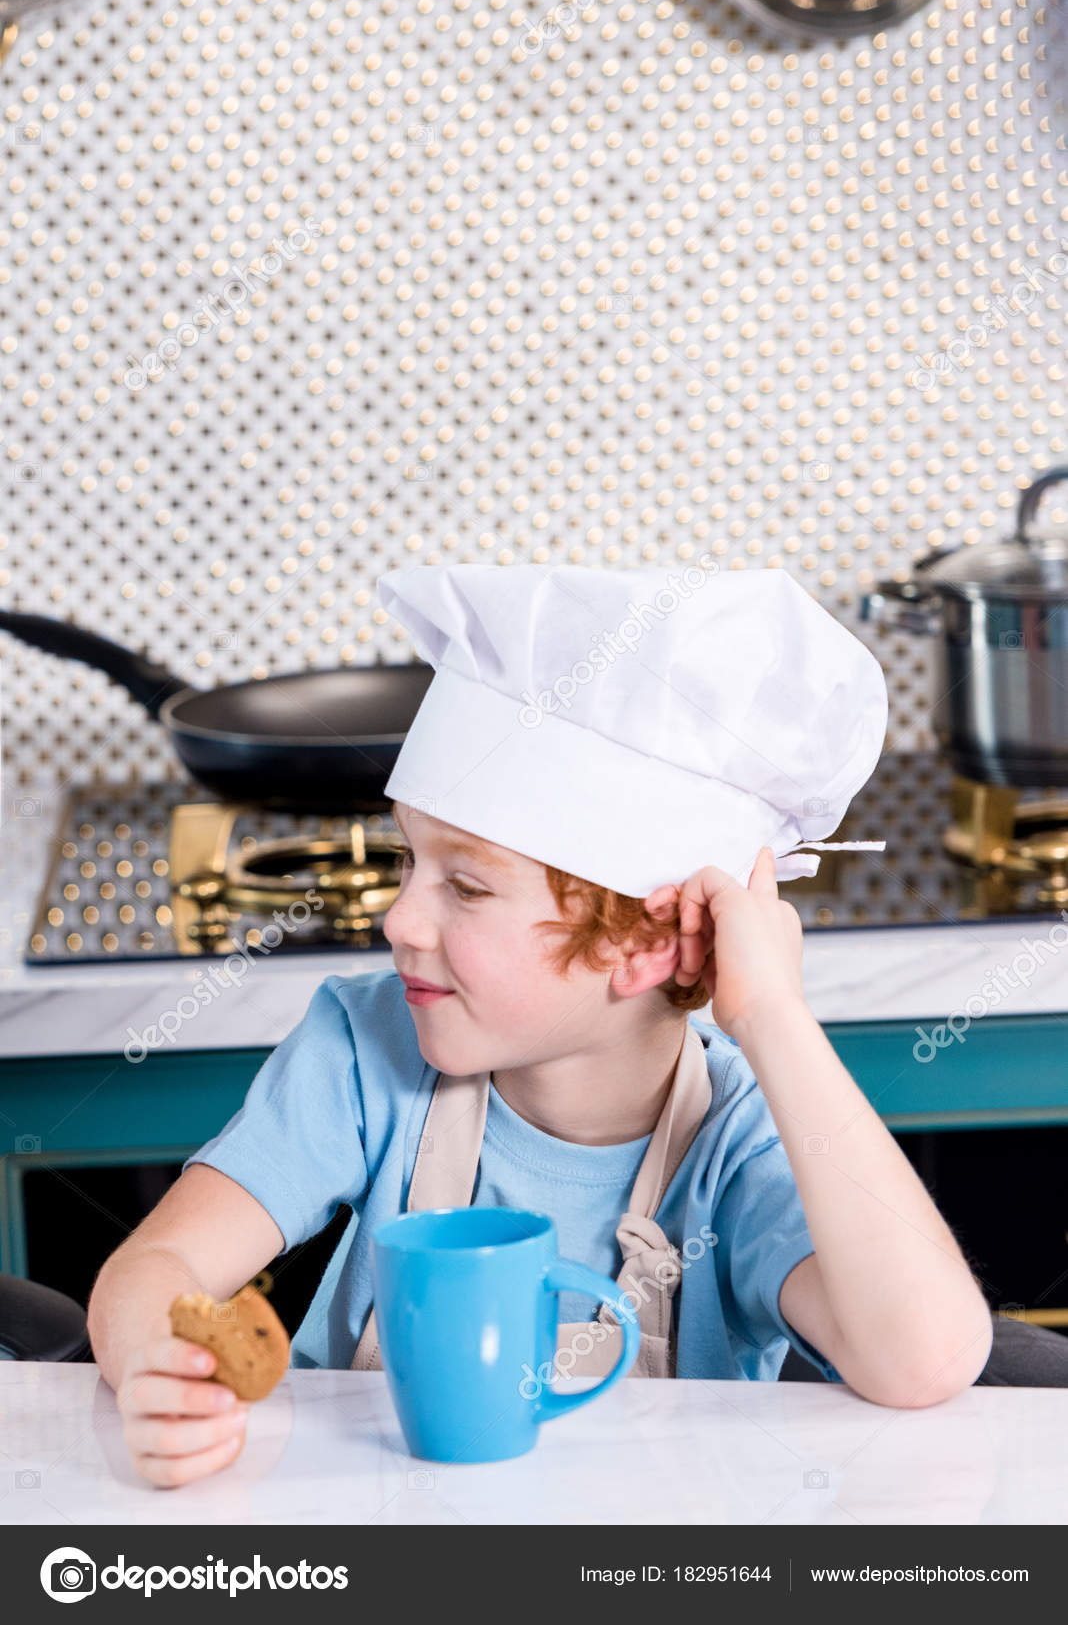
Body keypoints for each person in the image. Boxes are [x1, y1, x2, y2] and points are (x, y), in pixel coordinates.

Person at [87, 561, 993, 1489]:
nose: (398, 919)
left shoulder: (742, 1143)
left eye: (466, 885)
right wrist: (158, 1368)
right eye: (409, 860)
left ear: (643, 944)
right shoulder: (364, 1050)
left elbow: (922, 1361)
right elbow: (155, 1266)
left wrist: (773, 1017)